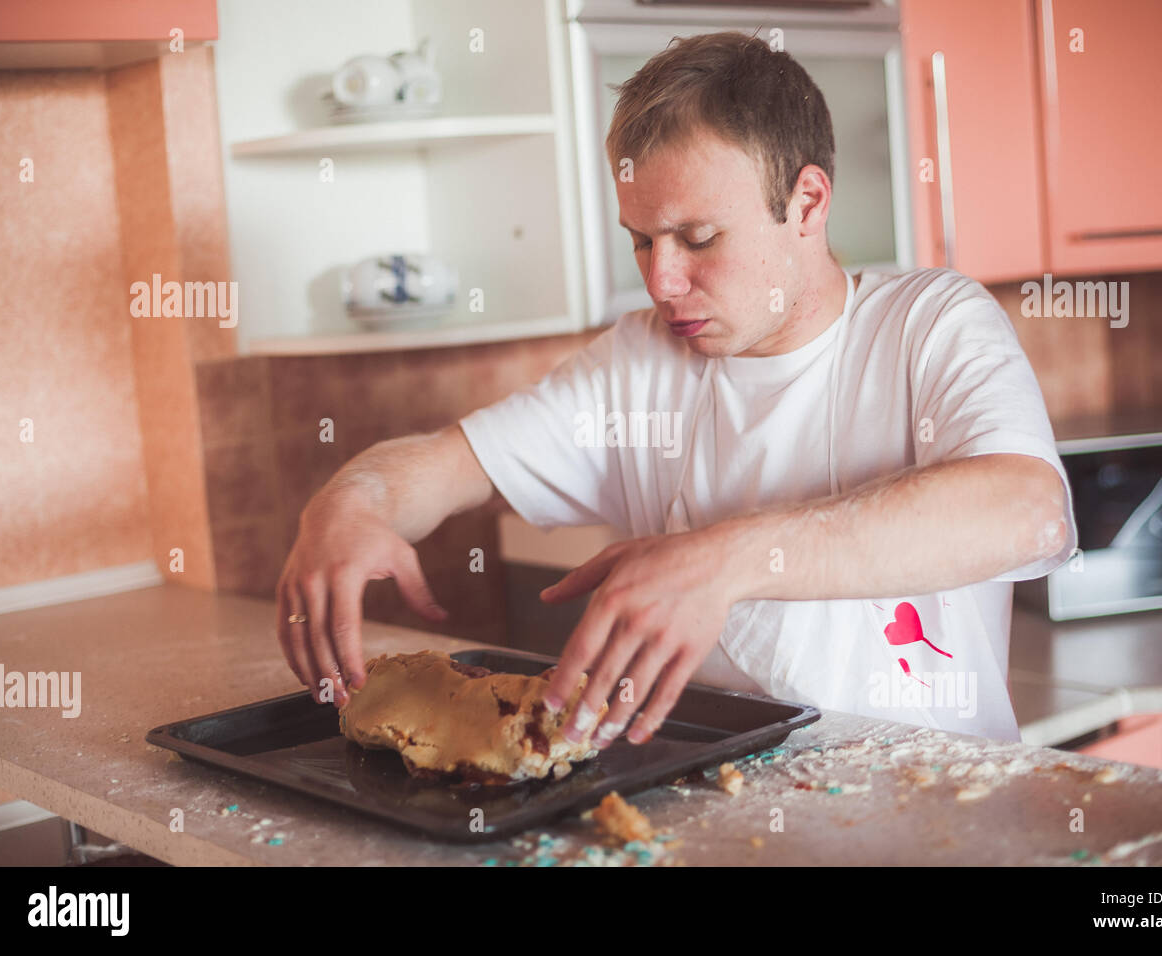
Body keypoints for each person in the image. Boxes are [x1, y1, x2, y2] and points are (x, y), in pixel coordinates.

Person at [276, 31, 1077, 746]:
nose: (662, 281)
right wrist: (348, 506)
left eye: (699, 239)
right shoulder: (637, 365)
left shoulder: (928, 324)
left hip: (942, 821)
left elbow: (1026, 512)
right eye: (640, 242)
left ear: (806, 205)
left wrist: (723, 560)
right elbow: (447, 464)